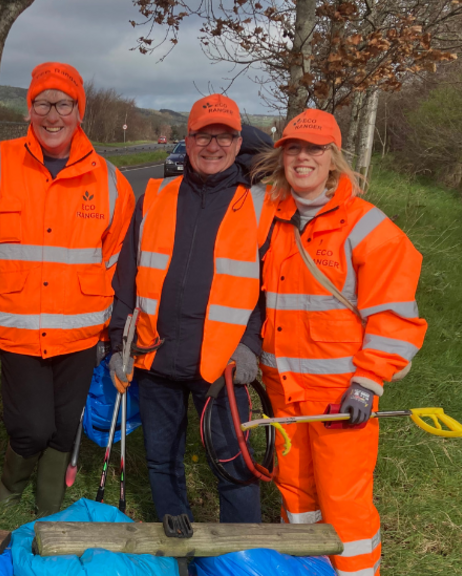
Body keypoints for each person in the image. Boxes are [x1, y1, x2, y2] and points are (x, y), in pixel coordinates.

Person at [254, 109, 427, 576]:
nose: (302, 158)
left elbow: (394, 316)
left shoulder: (367, 228)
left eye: (314, 149)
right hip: (284, 391)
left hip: (340, 397)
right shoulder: (268, 217)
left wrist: (367, 384)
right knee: (295, 495)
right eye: (293, 149)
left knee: (343, 502)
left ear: (333, 157)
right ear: (281, 156)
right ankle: (306, 567)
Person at [108, 94, 273, 524]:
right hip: (155, 357)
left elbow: (269, 290)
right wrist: (117, 346)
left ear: (238, 143)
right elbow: (127, 279)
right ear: (188, 139)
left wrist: (249, 345)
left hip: (223, 364)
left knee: (233, 466)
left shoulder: (260, 205)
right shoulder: (155, 196)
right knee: (161, 461)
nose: (212, 146)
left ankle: (240, 554)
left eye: (224, 137)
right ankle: (176, 545)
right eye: (203, 136)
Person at [0, 62, 135, 517]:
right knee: (31, 427)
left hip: (81, 331)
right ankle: (9, 493)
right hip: (18, 326)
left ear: (79, 111)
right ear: (28, 108)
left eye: (64, 104)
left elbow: (117, 263)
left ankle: (47, 508)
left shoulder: (111, 182)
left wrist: (114, 332)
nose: (53, 116)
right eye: (42, 103)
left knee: (64, 426)